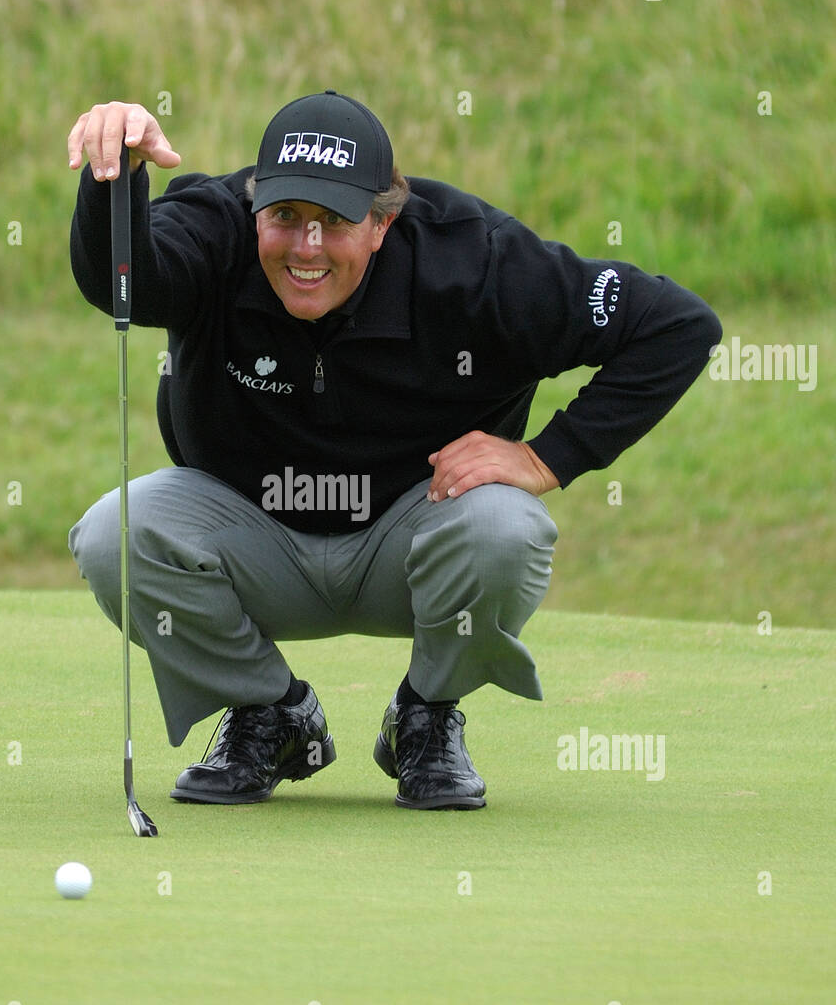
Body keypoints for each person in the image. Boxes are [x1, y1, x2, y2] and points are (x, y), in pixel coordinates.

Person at [66, 91, 721, 811]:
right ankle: (270, 715)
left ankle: (426, 718)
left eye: (335, 223)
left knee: (506, 527)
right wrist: (113, 183)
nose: (305, 248)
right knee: (112, 533)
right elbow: (121, 282)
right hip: (253, 537)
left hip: (413, 538)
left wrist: (546, 457)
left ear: (383, 222)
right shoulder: (217, 225)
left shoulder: (476, 261)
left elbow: (677, 324)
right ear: (256, 208)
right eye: (285, 218)